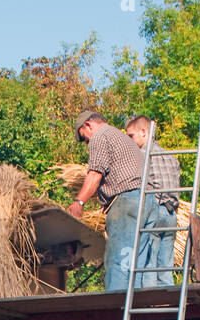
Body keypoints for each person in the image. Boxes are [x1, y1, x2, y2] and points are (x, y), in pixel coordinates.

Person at [68, 110, 161, 292]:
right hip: (149, 201)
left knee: (119, 258)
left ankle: (116, 308)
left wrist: (79, 202)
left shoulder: (100, 137)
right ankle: (137, 306)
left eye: (85, 138)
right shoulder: (121, 136)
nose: (87, 143)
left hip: (127, 202)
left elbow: (95, 174)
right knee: (138, 263)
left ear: (88, 125)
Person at [126, 115, 181, 286]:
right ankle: (166, 304)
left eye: (131, 136)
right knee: (165, 267)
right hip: (171, 214)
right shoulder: (170, 156)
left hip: (154, 211)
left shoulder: (141, 155)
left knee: (147, 265)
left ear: (143, 132)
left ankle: (149, 306)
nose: (130, 141)